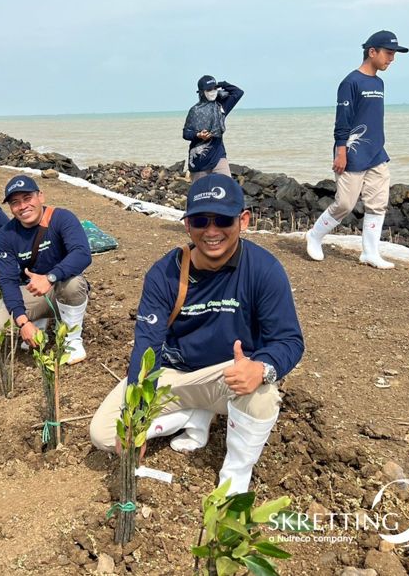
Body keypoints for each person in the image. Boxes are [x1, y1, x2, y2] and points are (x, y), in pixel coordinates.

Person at [89, 174, 304, 495]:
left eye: (224, 219)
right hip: (175, 377)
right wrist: (134, 417)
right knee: (104, 434)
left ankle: (236, 475)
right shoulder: (165, 273)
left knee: (262, 395)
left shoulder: (264, 269)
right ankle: (192, 415)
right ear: (187, 225)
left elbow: (289, 341)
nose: (212, 231)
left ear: (243, 220)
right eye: (202, 220)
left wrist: (261, 368)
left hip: (228, 380)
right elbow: (146, 347)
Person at [306, 30, 409, 269]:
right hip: (352, 153)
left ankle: (370, 253)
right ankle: (314, 235)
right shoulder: (350, 82)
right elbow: (343, 119)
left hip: (377, 153)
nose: (391, 59)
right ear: (372, 52)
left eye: (394, 54)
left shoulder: (379, 82)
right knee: (345, 204)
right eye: (388, 53)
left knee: (378, 202)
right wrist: (340, 150)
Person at [0, 175, 92, 363]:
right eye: (15, 203)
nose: (22, 206)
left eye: (27, 198)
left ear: (40, 197)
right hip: (29, 290)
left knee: (74, 284)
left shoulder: (62, 218)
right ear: (10, 208)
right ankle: (37, 321)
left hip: (58, 286)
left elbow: (82, 254)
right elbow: (7, 281)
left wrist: (50, 277)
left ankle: (73, 338)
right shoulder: (5, 235)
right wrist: (23, 322)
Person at [182, 76, 244, 180]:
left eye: (215, 88)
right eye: (209, 89)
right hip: (200, 161)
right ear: (202, 92)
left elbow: (238, 92)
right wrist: (199, 135)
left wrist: (221, 84)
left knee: (226, 186)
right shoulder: (195, 111)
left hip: (218, 156)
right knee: (201, 193)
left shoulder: (221, 107)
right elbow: (186, 133)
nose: (213, 92)